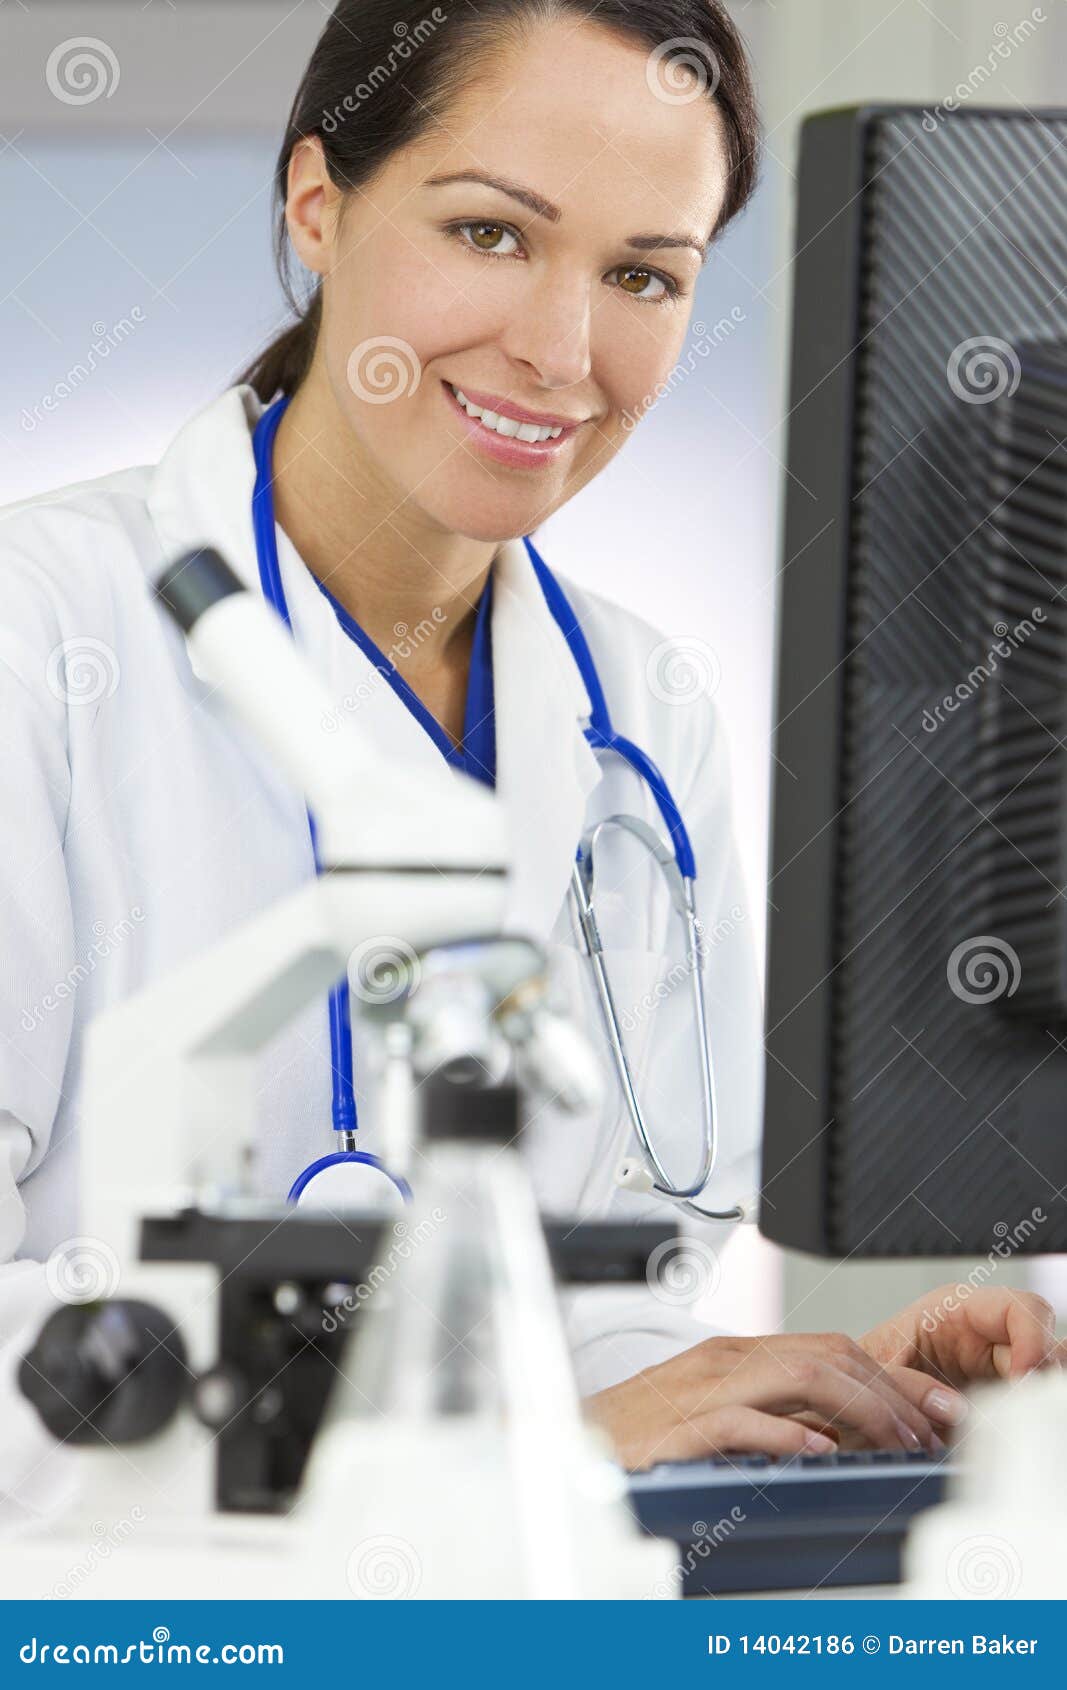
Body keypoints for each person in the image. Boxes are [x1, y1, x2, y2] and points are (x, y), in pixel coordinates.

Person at [0, 0, 1059, 1513]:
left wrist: (821, 1395)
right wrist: (514, 1457)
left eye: (643, 274)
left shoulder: (641, 711)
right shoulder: (39, 637)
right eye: (492, 233)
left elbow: (598, 1285)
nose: (563, 349)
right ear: (319, 202)